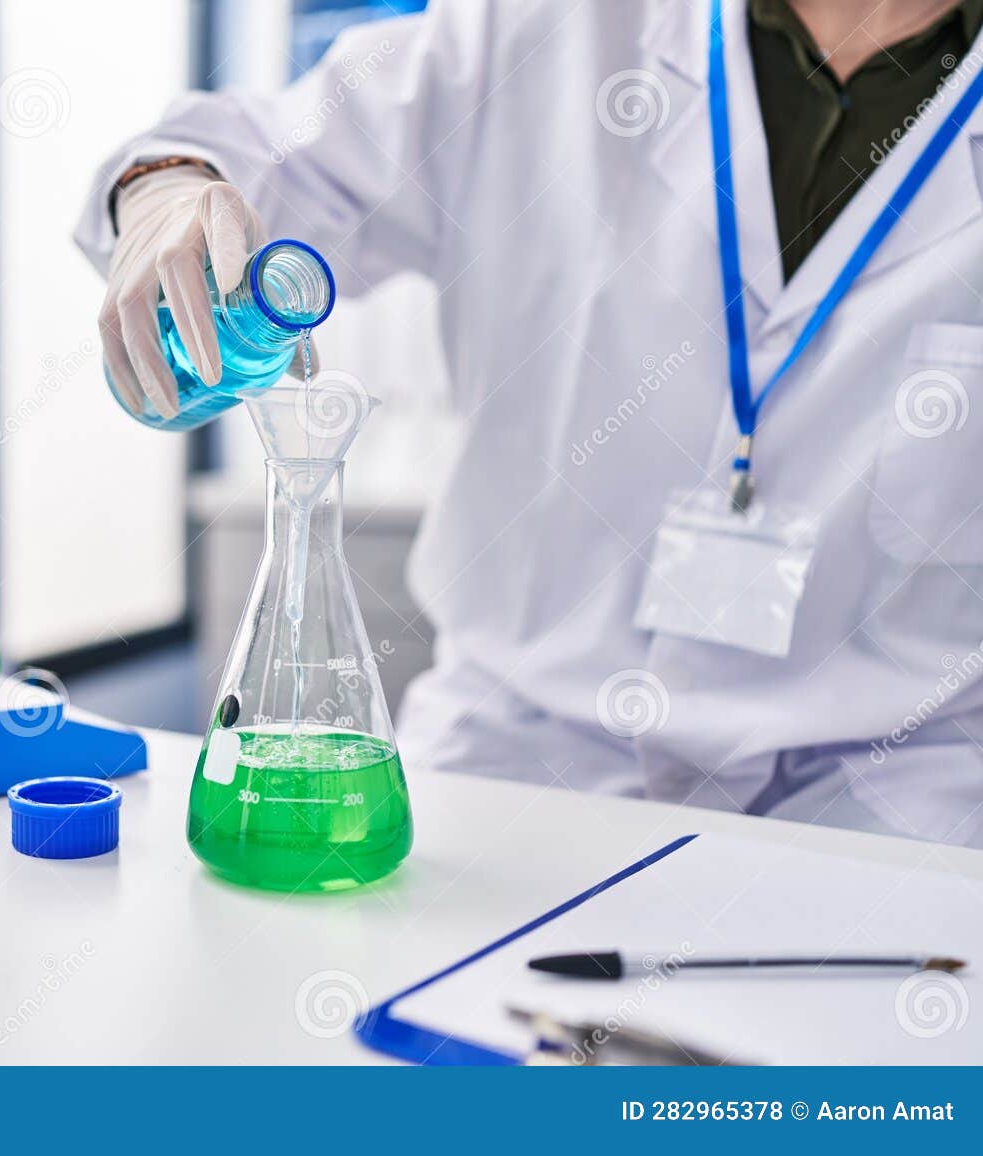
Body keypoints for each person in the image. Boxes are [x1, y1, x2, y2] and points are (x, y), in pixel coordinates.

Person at [77, 0, 983, 848]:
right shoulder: (539, 25)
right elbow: (252, 156)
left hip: (893, 801)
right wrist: (167, 187)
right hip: (519, 759)